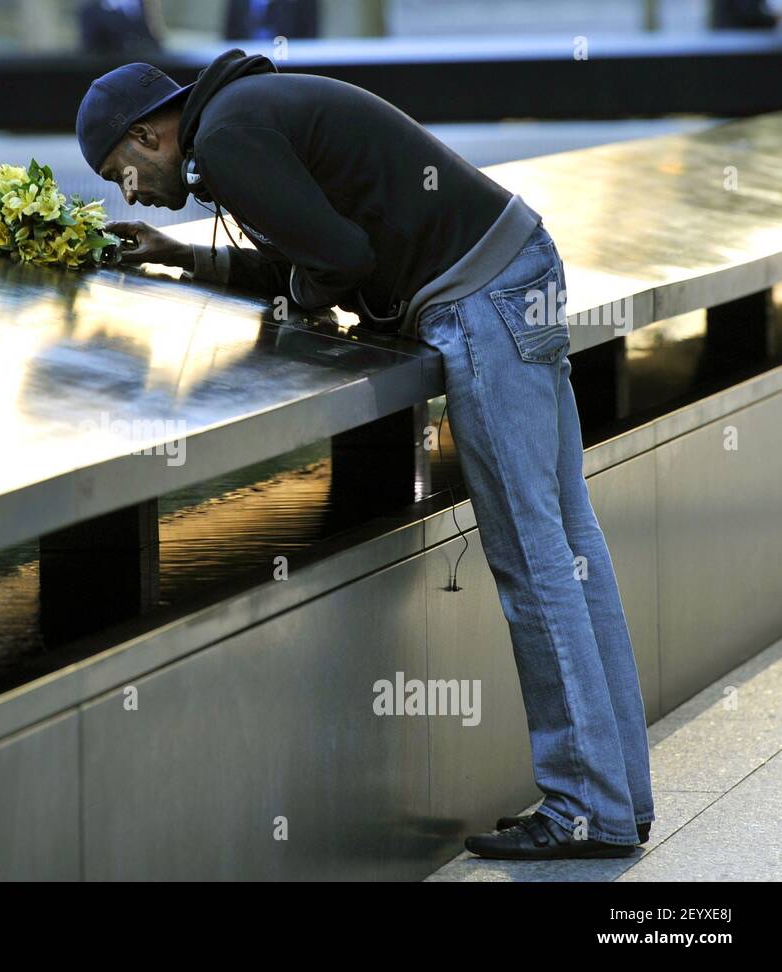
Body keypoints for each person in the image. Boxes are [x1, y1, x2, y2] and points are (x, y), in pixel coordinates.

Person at [76, 49, 655, 860]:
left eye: (120, 172)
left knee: (533, 559)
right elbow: (316, 249)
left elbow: (338, 261)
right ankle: (617, 795)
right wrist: (185, 257)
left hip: (479, 300)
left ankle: (585, 809)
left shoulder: (232, 137)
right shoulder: (247, 113)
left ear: (148, 135)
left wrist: (311, 313)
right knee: (569, 543)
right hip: (517, 268)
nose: (128, 191)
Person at [223, 0, 319, 42]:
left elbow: (309, 39)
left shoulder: (304, 3)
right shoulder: (237, 2)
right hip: (246, 69)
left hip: (290, 69)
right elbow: (230, 37)